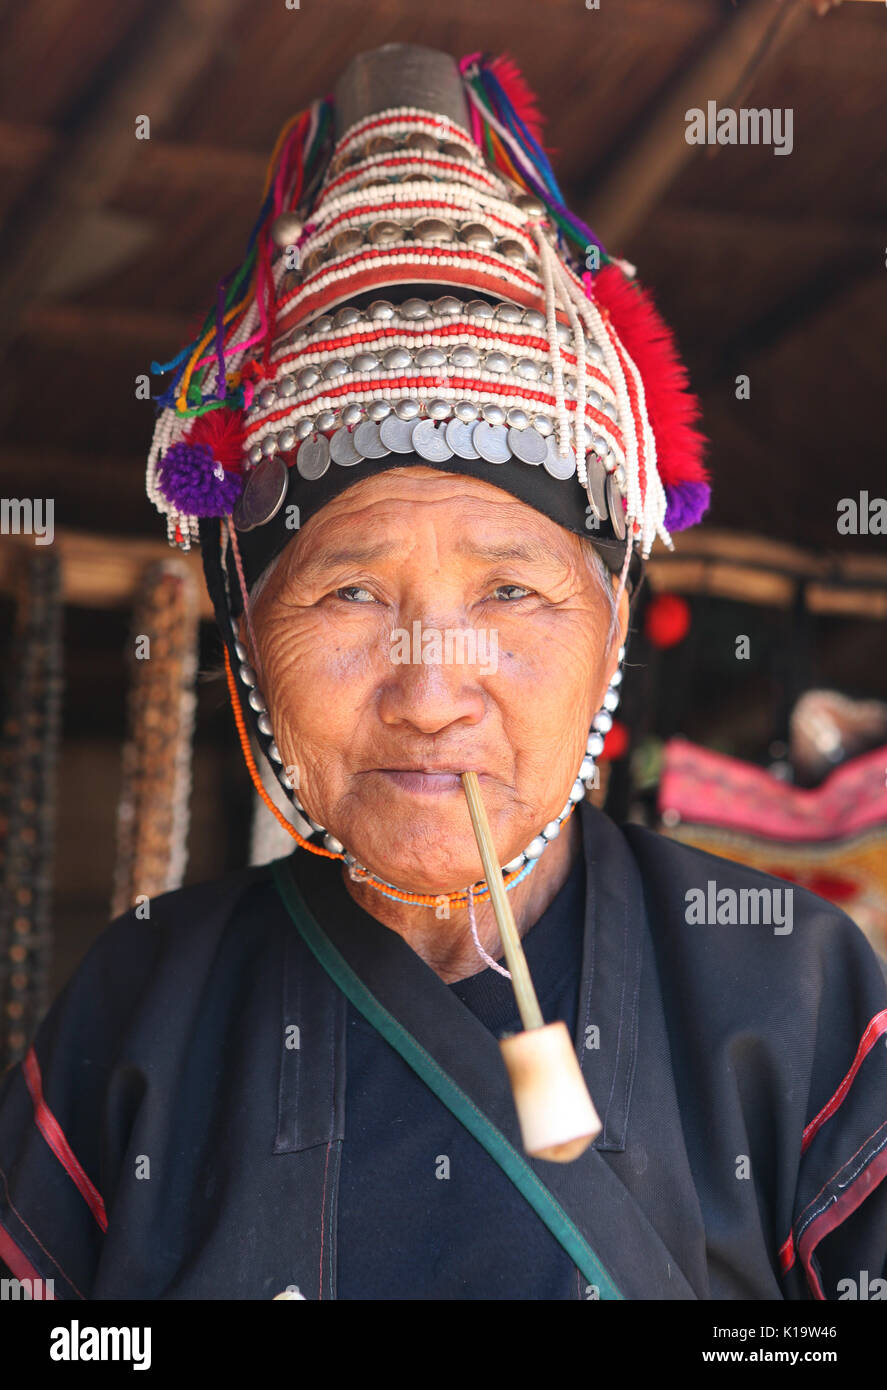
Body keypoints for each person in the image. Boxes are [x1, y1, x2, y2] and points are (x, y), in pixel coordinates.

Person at [1, 44, 884, 1301]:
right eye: (351, 591)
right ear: (248, 630)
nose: (430, 690)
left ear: (613, 626)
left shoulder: (790, 990)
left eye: (509, 592)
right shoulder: (140, 1009)